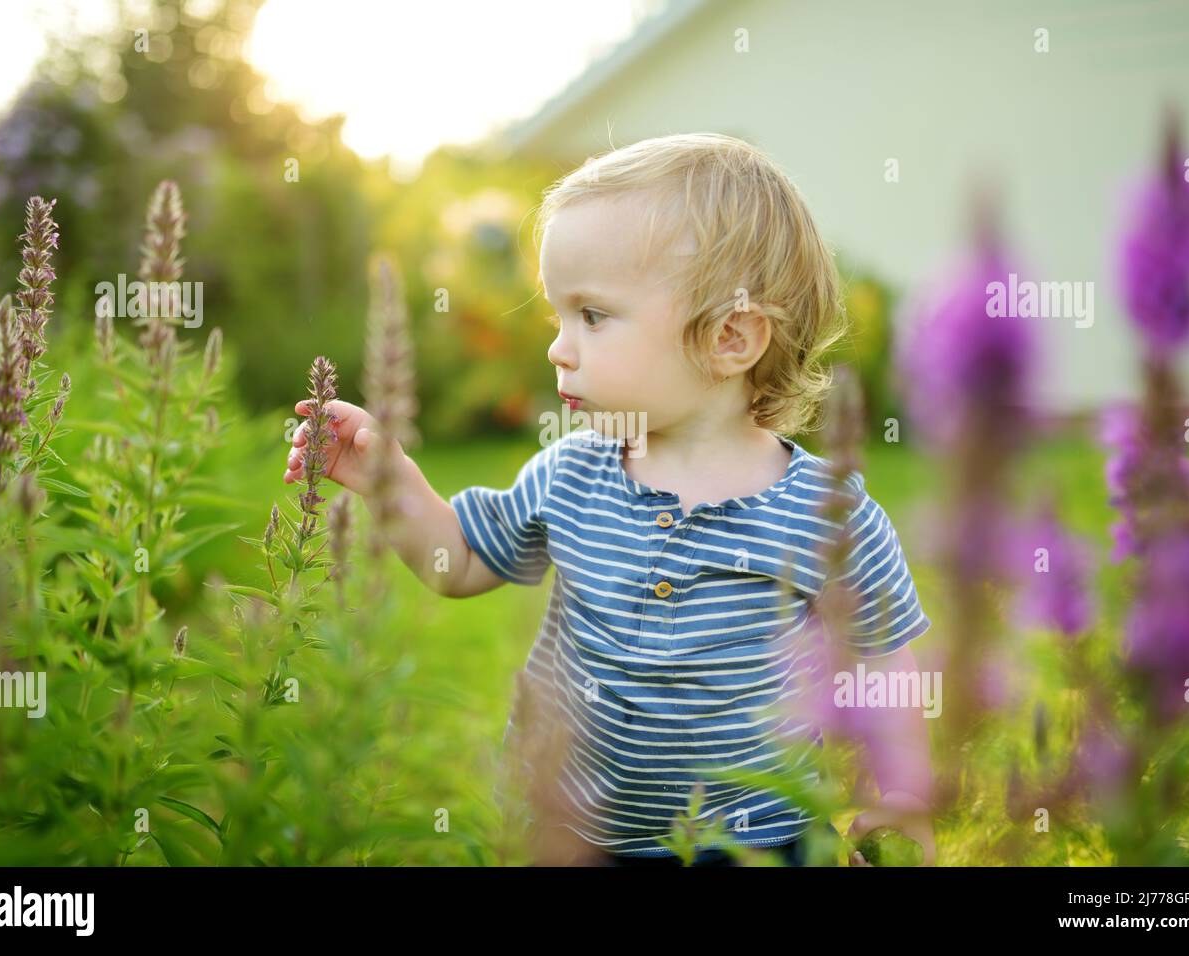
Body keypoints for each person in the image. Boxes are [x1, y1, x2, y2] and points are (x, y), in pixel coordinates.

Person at [284, 132, 937, 867]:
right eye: (558, 317)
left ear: (730, 337)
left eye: (592, 316)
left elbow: (881, 661)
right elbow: (459, 561)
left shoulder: (830, 518)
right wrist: (389, 479)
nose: (559, 347)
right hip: (570, 835)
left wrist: (900, 794)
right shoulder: (573, 474)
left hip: (755, 844)